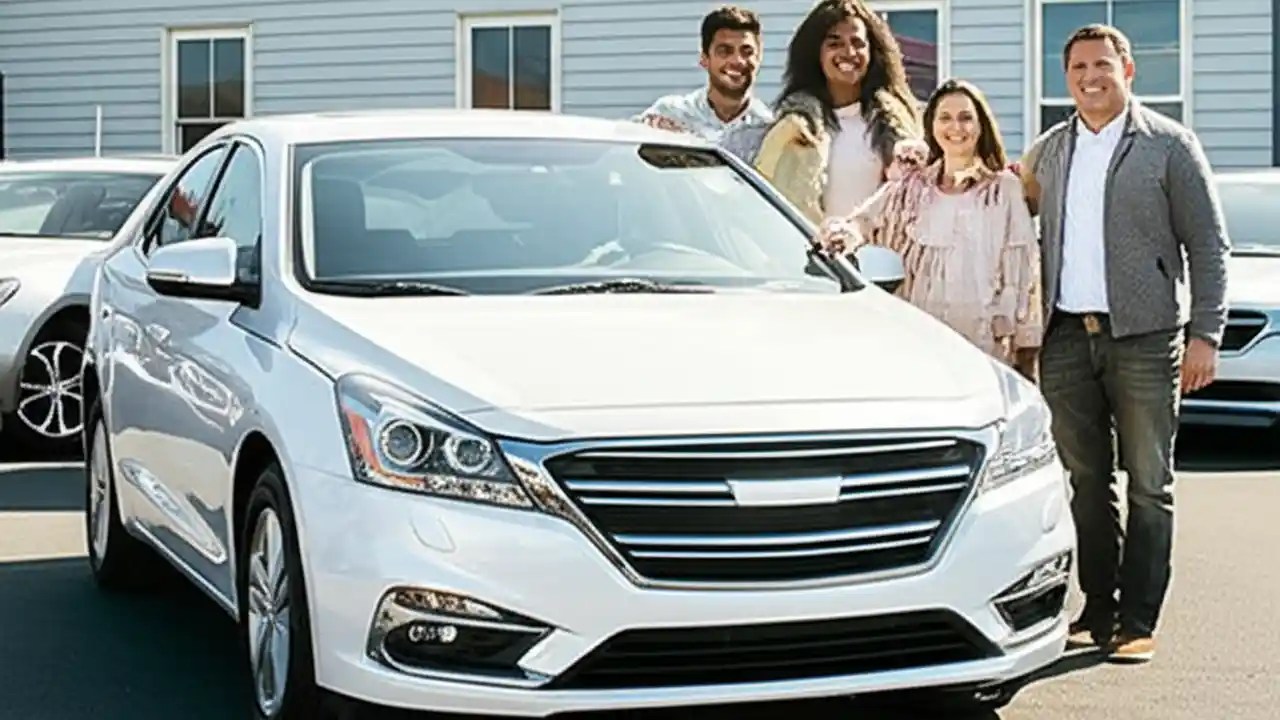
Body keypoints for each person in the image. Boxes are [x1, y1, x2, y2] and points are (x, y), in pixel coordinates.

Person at [1018, 24, 1230, 663]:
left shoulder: (1169, 145)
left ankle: (1139, 620)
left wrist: (1206, 334)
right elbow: (1003, 206)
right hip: (1065, 337)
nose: (1091, 76)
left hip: (1146, 339)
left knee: (1148, 483)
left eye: (1103, 64)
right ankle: (1099, 608)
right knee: (1085, 481)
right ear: (1067, 77)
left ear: (1128, 70)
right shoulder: (1051, 149)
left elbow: (1208, 245)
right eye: (1078, 66)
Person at [816, 79, 1041, 376]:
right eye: (945, 118)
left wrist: (1027, 343)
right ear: (932, 125)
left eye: (965, 118)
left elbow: (1025, 266)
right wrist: (845, 235)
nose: (956, 128)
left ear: (981, 125)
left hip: (985, 339)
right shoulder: (913, 184)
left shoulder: (1003, 189)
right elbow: (866, 220)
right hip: (923, 332)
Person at [722, 0, 922, 224]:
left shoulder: (898, 128)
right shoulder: (790, 129)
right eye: (834, 43)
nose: (849, 52)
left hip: (878, 256)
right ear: (815, 52)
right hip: (806, 254)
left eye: (857, 43)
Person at [633, 5, 773, 147]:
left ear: (759, 58)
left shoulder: (768, 130)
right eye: (725, 51)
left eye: (747, 52)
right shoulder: (670, 114)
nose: (737, 61)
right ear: (704, 59)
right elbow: (622, 152)